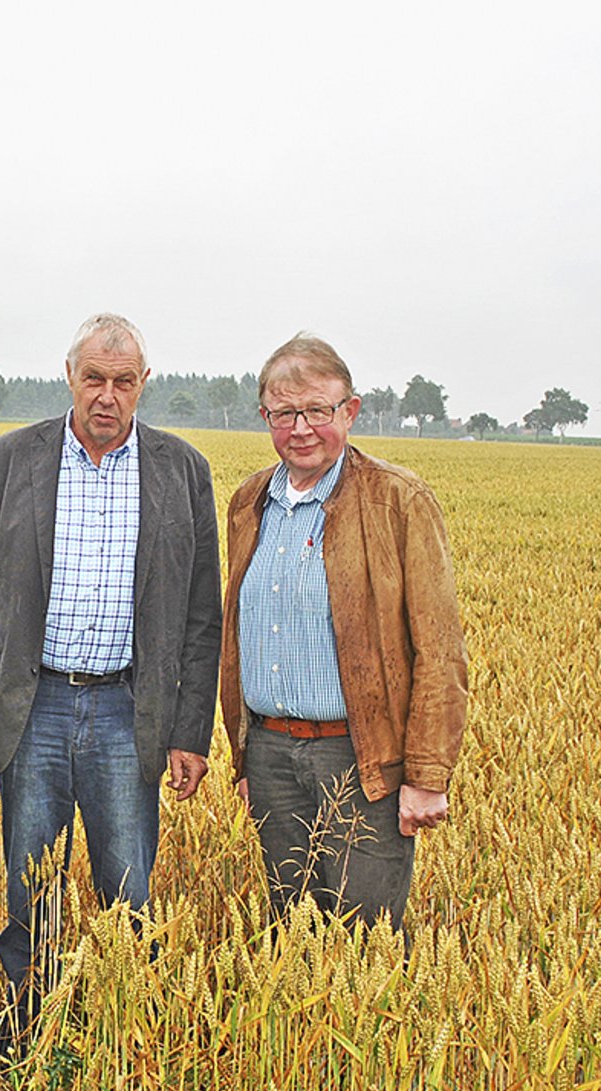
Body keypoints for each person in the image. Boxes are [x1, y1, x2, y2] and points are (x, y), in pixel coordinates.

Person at [0, 314, 221, 1054]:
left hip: (128, 711)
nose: (107, 396)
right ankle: (28, 1038)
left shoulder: (181, 469)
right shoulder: (11, 460)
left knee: (128, 892)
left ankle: (122, 1041)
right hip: (31, 706)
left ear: (143, 385)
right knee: (30, 891)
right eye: (94, 379)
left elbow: (202, 615)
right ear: (70, 376)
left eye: (123, 382)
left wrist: (190, 731)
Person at [220, 334, 468, 934]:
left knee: (367, 940)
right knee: (293, 932)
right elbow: (235, 633)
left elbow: (439, 648)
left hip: (363, 758)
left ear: (349, 411)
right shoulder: (250, 502)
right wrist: (246, 757)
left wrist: (427, 776)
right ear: (266, 418)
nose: (301, 428)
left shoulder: (397, 500)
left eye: (317, 411)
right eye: (285, 413)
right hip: (274, 754)